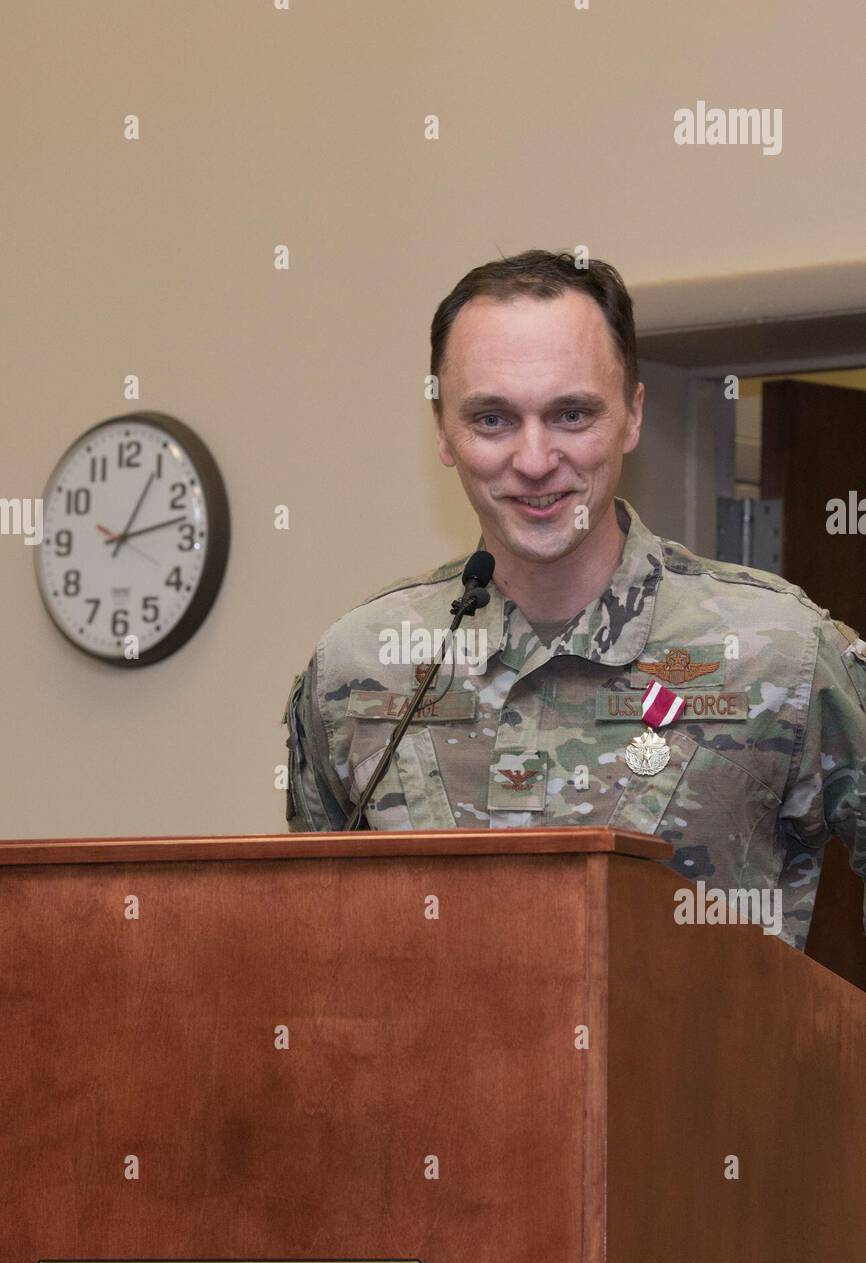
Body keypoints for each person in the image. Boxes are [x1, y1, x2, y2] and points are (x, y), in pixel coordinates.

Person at [281, 250, 866, 951]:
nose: (533, 460)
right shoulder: (360, 666)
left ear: (632, 416)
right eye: (492, 419)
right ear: (442, 428)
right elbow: (316, 936)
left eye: (571, 414)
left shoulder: (782, 652)